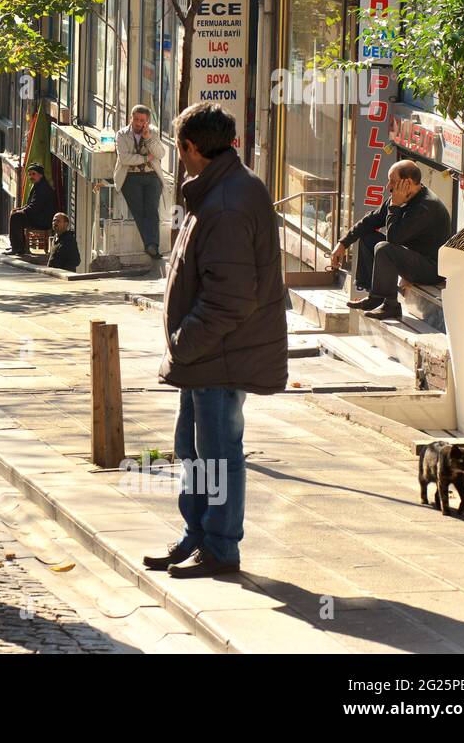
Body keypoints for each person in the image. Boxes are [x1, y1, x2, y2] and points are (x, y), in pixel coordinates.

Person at [143, 104, 286, 580]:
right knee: (194, 449)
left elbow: (229, 299)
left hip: (219, 355)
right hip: (208, 356)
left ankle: (221, 546)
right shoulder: (220, 189)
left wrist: (183, 343)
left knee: (218, 454)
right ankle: (199, 535)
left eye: (178, 146)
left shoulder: (226, 201)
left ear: (190, 147)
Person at [329, 160, 452, 321]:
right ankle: (374, 296)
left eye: (392, 181)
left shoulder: (425, 206)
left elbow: (394, 239)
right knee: (367, 237)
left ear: (407, 182)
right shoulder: (402, 197)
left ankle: (391, 306)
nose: (388, 187)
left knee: (384, 248)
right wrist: (343, 243)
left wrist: (395, 207)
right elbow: (370, 220)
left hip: (431, 269)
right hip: (413, 256)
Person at [114, 105, 168, 258]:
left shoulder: (154, 132)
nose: (138, 123)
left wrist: (148, 139)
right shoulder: (122, 135)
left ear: (147, 121)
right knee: (140, 213)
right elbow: (125, 159)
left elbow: (160, 153)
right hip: (130, 178)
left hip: (152, 176)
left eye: (142, 120)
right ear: (131, 118)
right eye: (136, 119)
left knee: (152, 210)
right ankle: (150, 245)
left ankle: (152, 246)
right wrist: (145, 158)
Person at [6, 163, 57, 255]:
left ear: (40, 175)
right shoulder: (37, 185)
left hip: (42, 220)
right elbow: (31, 204)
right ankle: (16, 246)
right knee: (15, 214)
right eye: (29, 174)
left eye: (33, 174)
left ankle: (18, 248)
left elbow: (34, 207)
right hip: (37, 216)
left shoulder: (42, 188)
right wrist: (21, 209)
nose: (31, 176)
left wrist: (21, 211)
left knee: (16, 217)